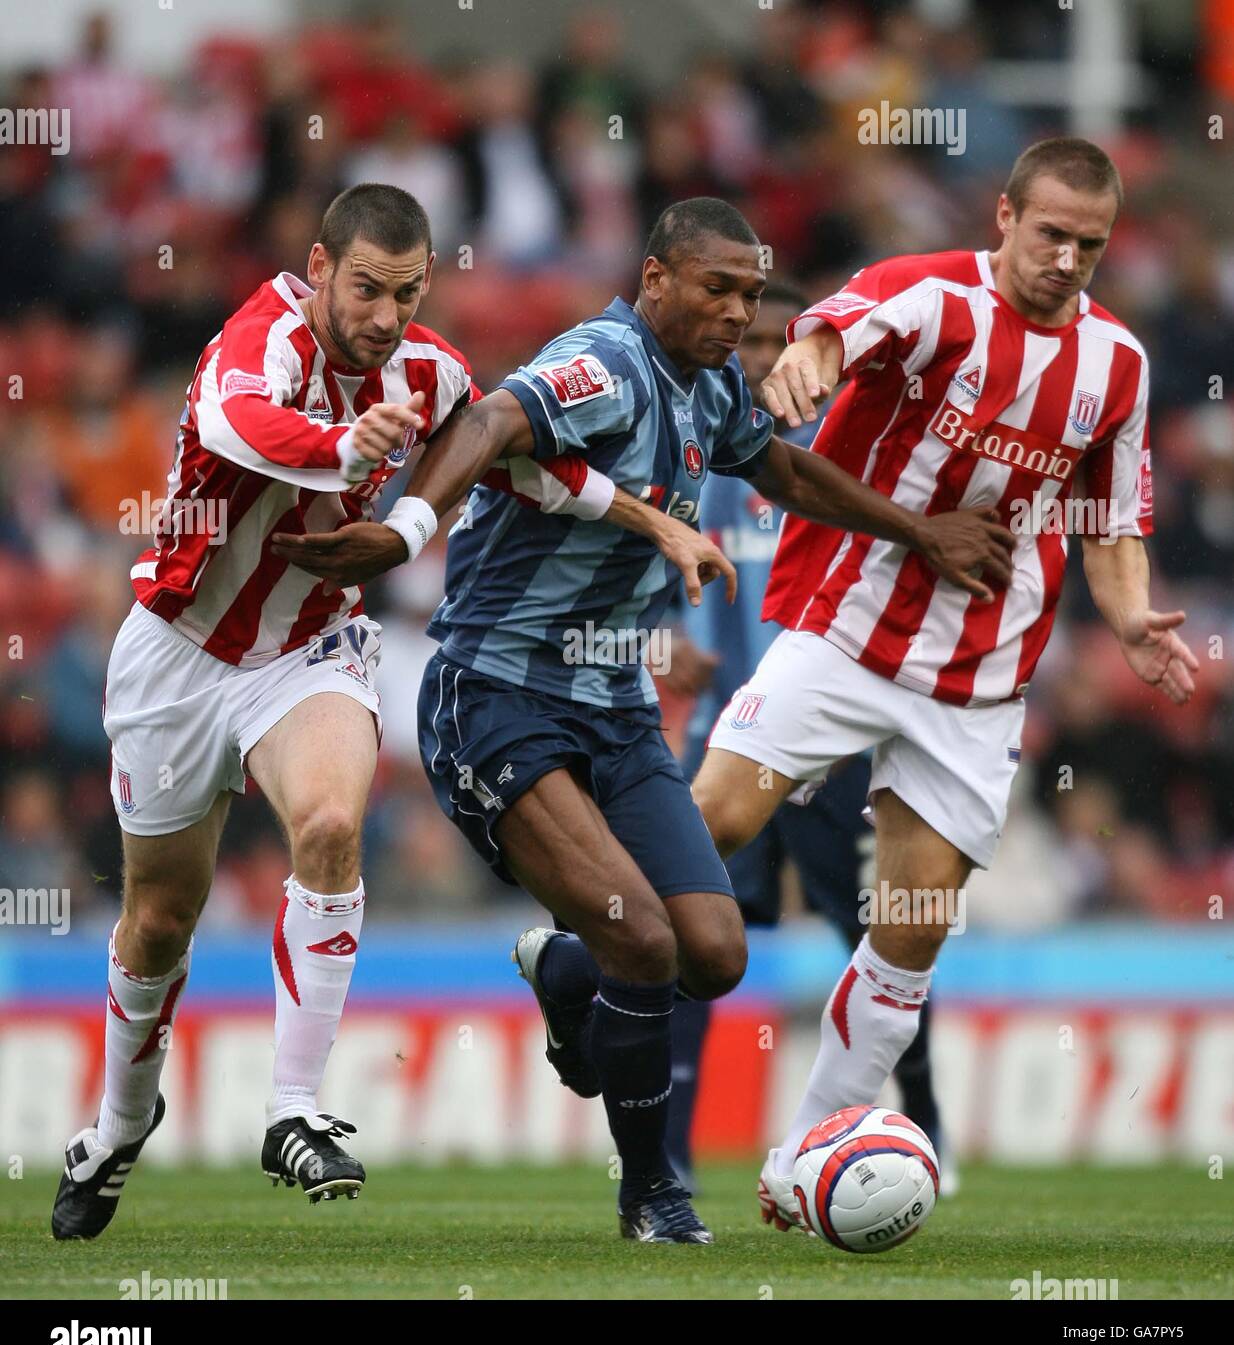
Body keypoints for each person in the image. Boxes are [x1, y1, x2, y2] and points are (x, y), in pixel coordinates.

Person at [276, 196, 1014, 1243]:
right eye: (717, 290)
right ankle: (650, 1194)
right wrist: (401, 533)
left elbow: (786, 471)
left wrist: (916, 531)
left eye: (753, 295)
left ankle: (561, 966)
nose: (736, 312)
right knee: (644, 944)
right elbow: (486, 422)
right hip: (499, 693)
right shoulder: (605, 361)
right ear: (656, 278)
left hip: (613, 702)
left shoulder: (711, 384)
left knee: (712, 952)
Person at [684, 139, 1198, 1230]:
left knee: (909, 924)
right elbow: (836, 328)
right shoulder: (934, 297)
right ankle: (582, 966)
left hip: (978, 682)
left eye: (1088, 244)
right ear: (1005, 215)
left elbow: (1109, 524)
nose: (1065, 258)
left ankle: (802, 1161)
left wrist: (1132, 617)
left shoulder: (1118, 365)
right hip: (847, 635)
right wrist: (806, 362)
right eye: (1049, 232)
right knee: (708, 823)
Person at [52, 184, 478, 1240]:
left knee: (333, 825)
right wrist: (349, 450)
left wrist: (417, 517)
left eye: (407, 293)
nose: (385, 316)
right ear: (321, 265)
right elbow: (242, 427)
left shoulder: (427, 370)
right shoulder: (258, 339)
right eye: (367, 288)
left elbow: (493, 432)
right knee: (158, 918)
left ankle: (293, 1106)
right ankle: (118, 1125)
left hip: (307, 645)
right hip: (177, 653)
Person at [661, 282, 945, 1196]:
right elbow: (647, 589)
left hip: (835, 751)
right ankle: (670, 1147)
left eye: (766, 360)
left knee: (888, 928)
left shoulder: (839, 466)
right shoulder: (693, 462)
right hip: (724, 742)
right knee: (695, 933)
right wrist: (659, 643)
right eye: (739, 361)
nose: (754, 377)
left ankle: (923, 1124)